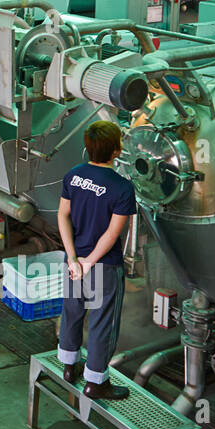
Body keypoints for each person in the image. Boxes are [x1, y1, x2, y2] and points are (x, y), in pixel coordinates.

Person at [56, 120, 138, 401]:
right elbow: (113, 233)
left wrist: (73, 258)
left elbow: (62, 216)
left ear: (87, 147)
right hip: (102, 265)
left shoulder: (73, 175)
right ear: (116, 151)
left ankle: (68, 366)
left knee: (73, 311)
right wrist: (89, 262)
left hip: (74, 261)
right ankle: (95, 382)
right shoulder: (122, 188)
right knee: (103, 322)